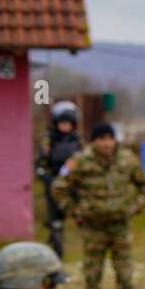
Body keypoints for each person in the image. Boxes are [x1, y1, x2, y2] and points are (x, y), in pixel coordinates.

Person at [50, 122, 145, 289]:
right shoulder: (80, 161)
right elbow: (59, 188)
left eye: (109, 138)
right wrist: (75, 211)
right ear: (93, 140)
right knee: (93, 273)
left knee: (125, 272)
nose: (106, 143)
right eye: (101, 138)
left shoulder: (126, 159)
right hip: (93, 228)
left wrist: (135, 207)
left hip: (120, 227)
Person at [35, 101, 84, 257]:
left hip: (74, 183)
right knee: (56, 221)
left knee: (81, 214)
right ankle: (56, 251)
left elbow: (86, 158)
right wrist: (47, 177)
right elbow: (40, 163)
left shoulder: (77, 139)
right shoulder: (48, 139)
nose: (65, 126)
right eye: (62, 123)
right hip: (54, 183)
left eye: (68, 123)